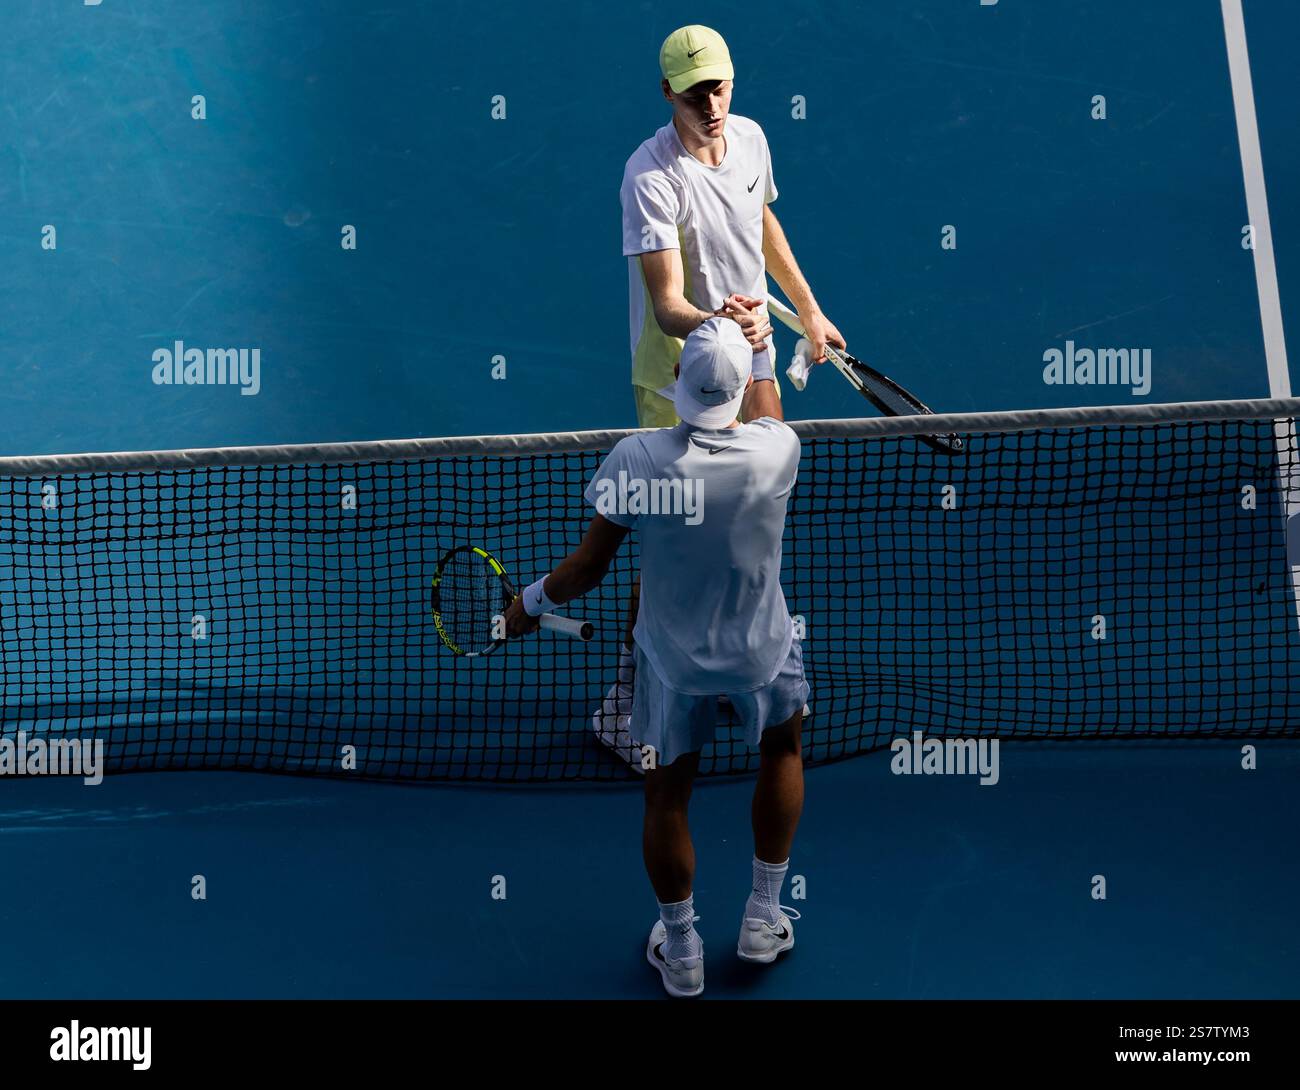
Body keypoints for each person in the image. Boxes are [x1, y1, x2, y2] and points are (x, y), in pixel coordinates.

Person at [504, 318, 808, 998]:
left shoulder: (638, 459)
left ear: (677, 384)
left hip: (672, 667)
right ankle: (763, 917)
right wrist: (758, 341)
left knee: (668, 795)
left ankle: (681, 949)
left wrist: (529, 603)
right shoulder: (775, 451)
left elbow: (586, 569)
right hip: (764, 652)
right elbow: (767, 407)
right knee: (783, 753)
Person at [595, 23, 844, 766]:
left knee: (755, 517)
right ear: (668, 91)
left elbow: (762, 223)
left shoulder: (753, 140)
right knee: (670, 541)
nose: (712, 101)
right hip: (683, 374)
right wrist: (719, 325)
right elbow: (669, 301)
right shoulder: (650, 176)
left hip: (755, 356)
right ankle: (627, 698)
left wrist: (808, 309)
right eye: (696, 89)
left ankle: (750, 666)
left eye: (721, 84)